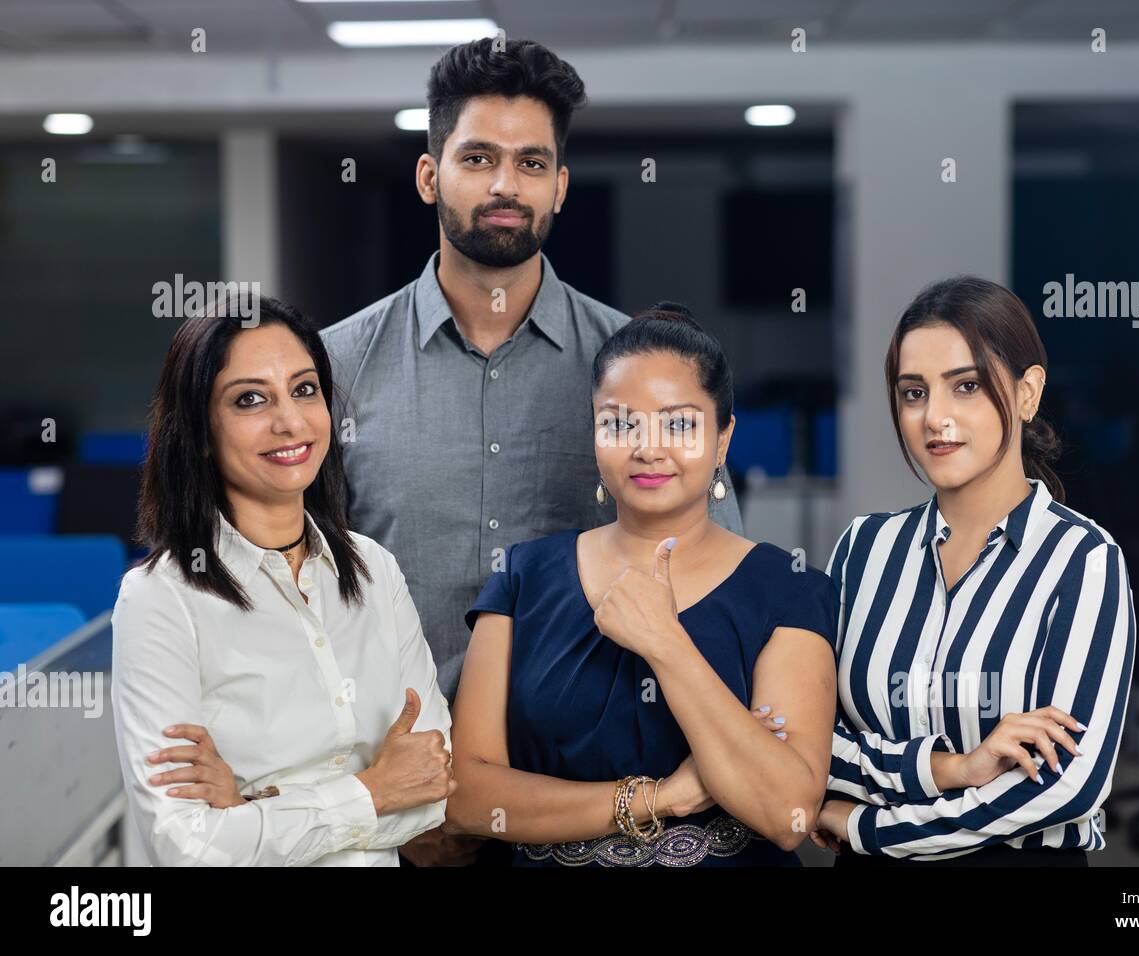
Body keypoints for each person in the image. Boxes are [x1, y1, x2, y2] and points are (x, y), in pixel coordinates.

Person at [320, 38, 741, 866]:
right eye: (478, 158)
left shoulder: (639, 372)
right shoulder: (333, 371)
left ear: (560, 187)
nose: (506, 185)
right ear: (429, 176)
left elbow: (712, 572)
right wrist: (381, 792)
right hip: (393, 811)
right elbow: (304, 599)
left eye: (531, 162)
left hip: (597, 813)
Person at [443, 303, 837, 867]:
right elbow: (466, 799)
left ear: (722, 439)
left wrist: (665, 642)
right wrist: (662, 799)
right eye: (620, 422)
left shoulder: (789, 588)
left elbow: (786, 815)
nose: (648, 447)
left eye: (679, 423)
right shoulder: (522, 575)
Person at [111, 296, 453, 866]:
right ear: (198, 430)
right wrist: (372, 792)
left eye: (304, 389)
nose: (289, 421)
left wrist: (252, 804)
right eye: (250, 399)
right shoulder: (162, 598)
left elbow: (430, 789)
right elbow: (186, 847)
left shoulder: (373, 571)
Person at [813, 276, 1136, 866]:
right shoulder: (864, 549)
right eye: (913, 393)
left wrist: (866, 828)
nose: (935, 418)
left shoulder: (1081, 559)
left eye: (966, 386)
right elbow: (806, 739)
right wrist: (952, 769)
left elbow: (1067, 785)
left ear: (1027, 392)